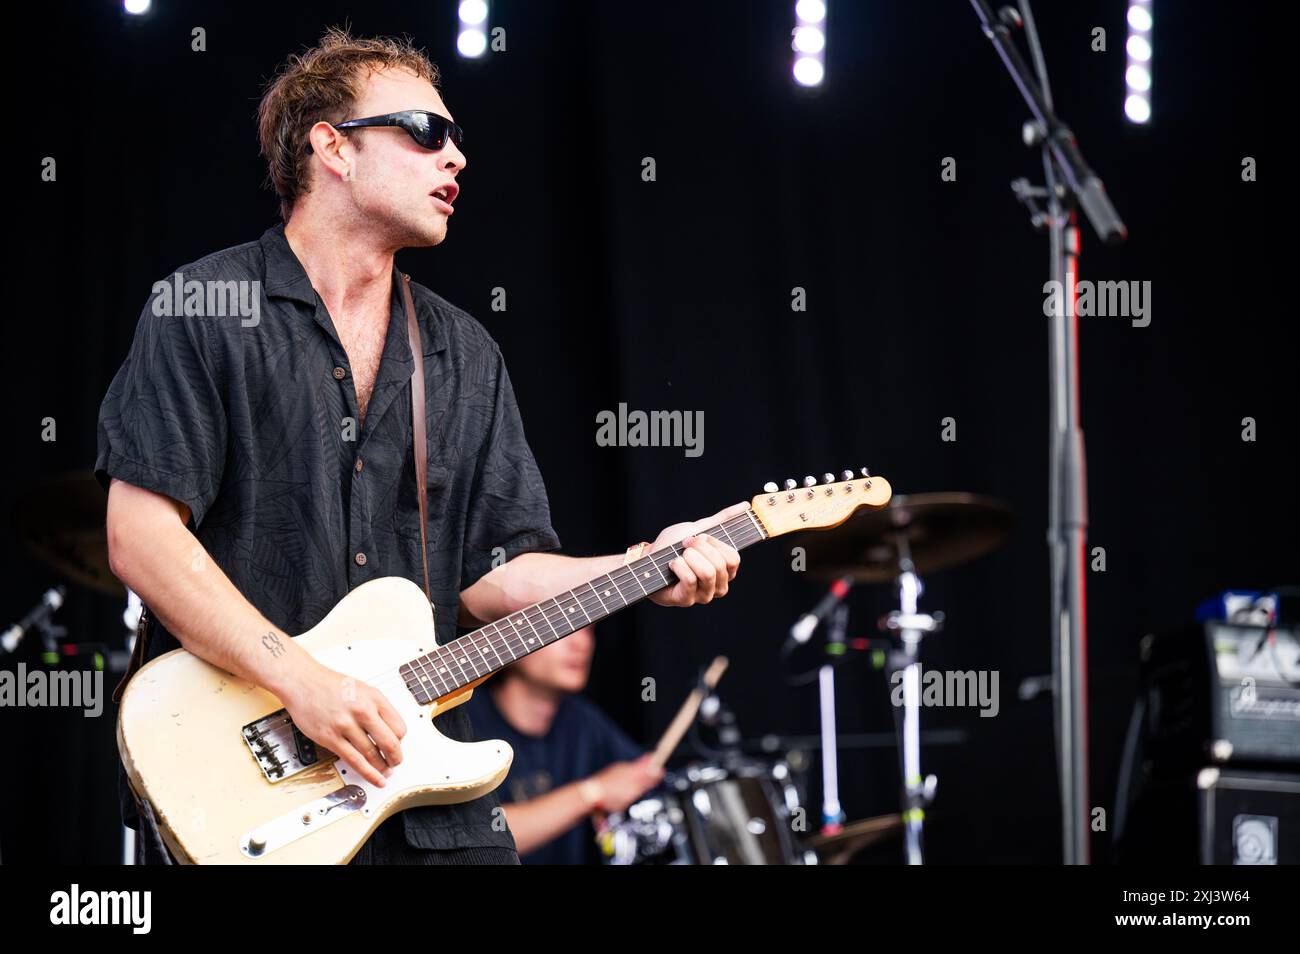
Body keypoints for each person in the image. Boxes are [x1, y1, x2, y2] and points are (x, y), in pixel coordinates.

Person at [96, 27, 745, 865]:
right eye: (426, 132)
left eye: (459, 140)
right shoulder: (206, 307)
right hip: (251, 784)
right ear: (333, 147)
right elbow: (139, 535)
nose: (457, 160)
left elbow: (499, 570)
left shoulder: (461, 350)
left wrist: (646, 566)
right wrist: (303, 681)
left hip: (425, 795)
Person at [465, 624, 663, 864]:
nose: (581, 644)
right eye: (560, 627)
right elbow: (475, 833)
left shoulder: (583, 721)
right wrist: (593, 792)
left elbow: (648, 780)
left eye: (587, 629)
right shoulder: (460, 725)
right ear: (507, 638)